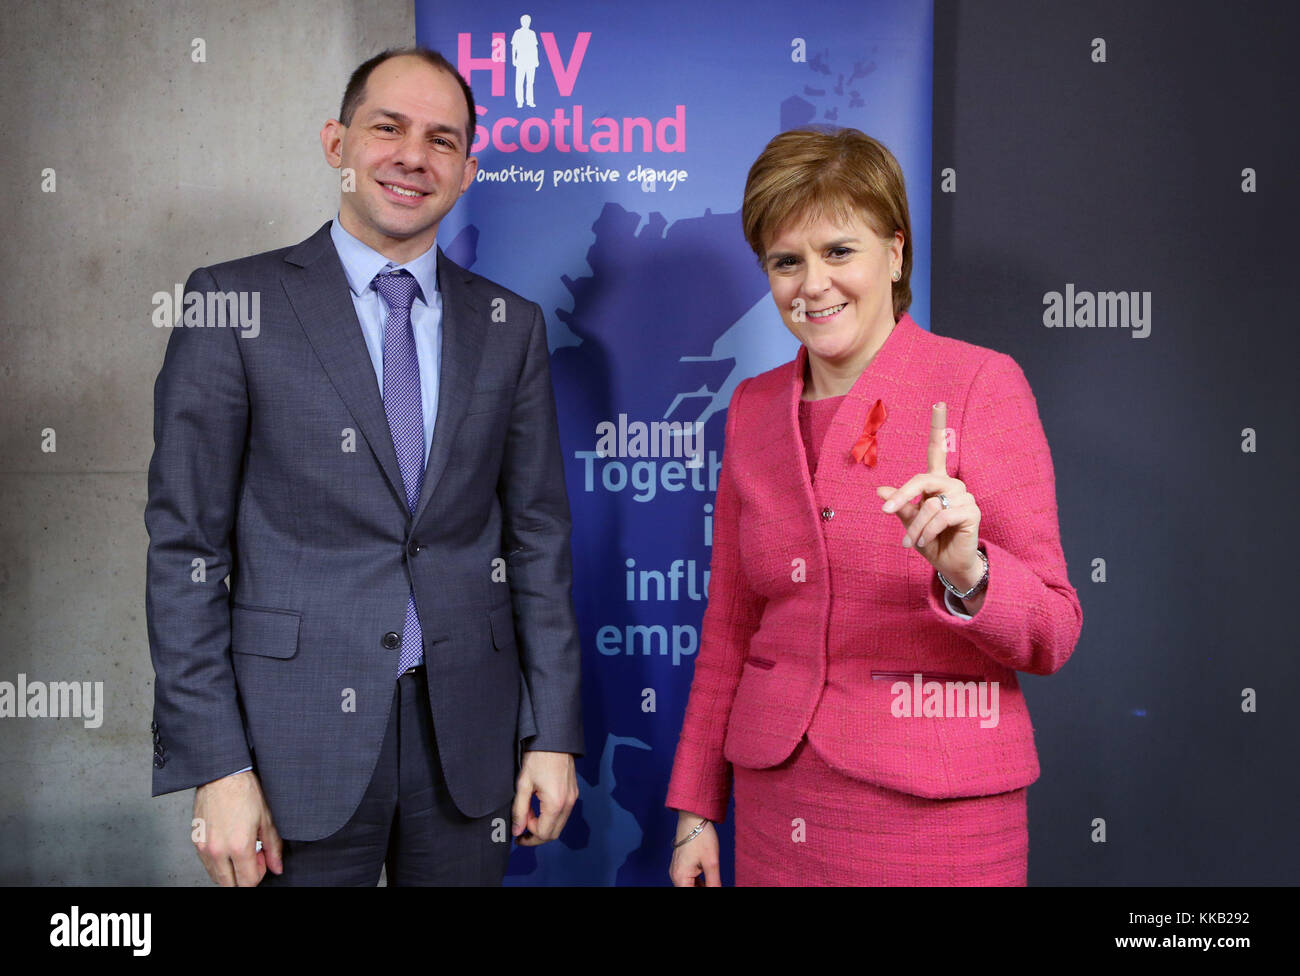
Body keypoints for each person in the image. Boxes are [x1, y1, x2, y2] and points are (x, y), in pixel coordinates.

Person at [145, 47, 583, 886]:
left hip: (468, 744)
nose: (414, 156)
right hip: (288, 748)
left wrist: (554, 733)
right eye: (389, 127)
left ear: (468, 169)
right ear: (336, 143)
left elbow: (537, 541)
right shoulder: (232, 306)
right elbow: (184, 552)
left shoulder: (509, 325)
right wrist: (217, 767)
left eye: (443, 140)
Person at [666, 127, 1082, 886]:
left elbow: (1053, 632)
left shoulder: (981, 384)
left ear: (894, 253)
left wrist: (970, 571)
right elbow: (728, 629)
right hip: (775, 815)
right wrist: (695, 814)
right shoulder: (753, 409)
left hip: (937, 824)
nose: (811, 284)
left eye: (838, 251)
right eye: (786, 261)